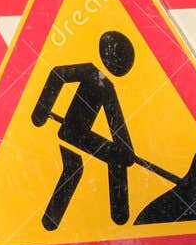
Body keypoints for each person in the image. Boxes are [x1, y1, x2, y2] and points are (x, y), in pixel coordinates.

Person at [30, 30, 137, 231]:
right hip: (72, 131)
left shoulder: (108, 86)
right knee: (75, 168)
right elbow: (57, 74)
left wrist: (126, 150)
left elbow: (117, 124)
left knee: (116, 157)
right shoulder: (90, 72)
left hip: (80, 134)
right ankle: (50, 222)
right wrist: (41, 112)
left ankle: (119, 213)